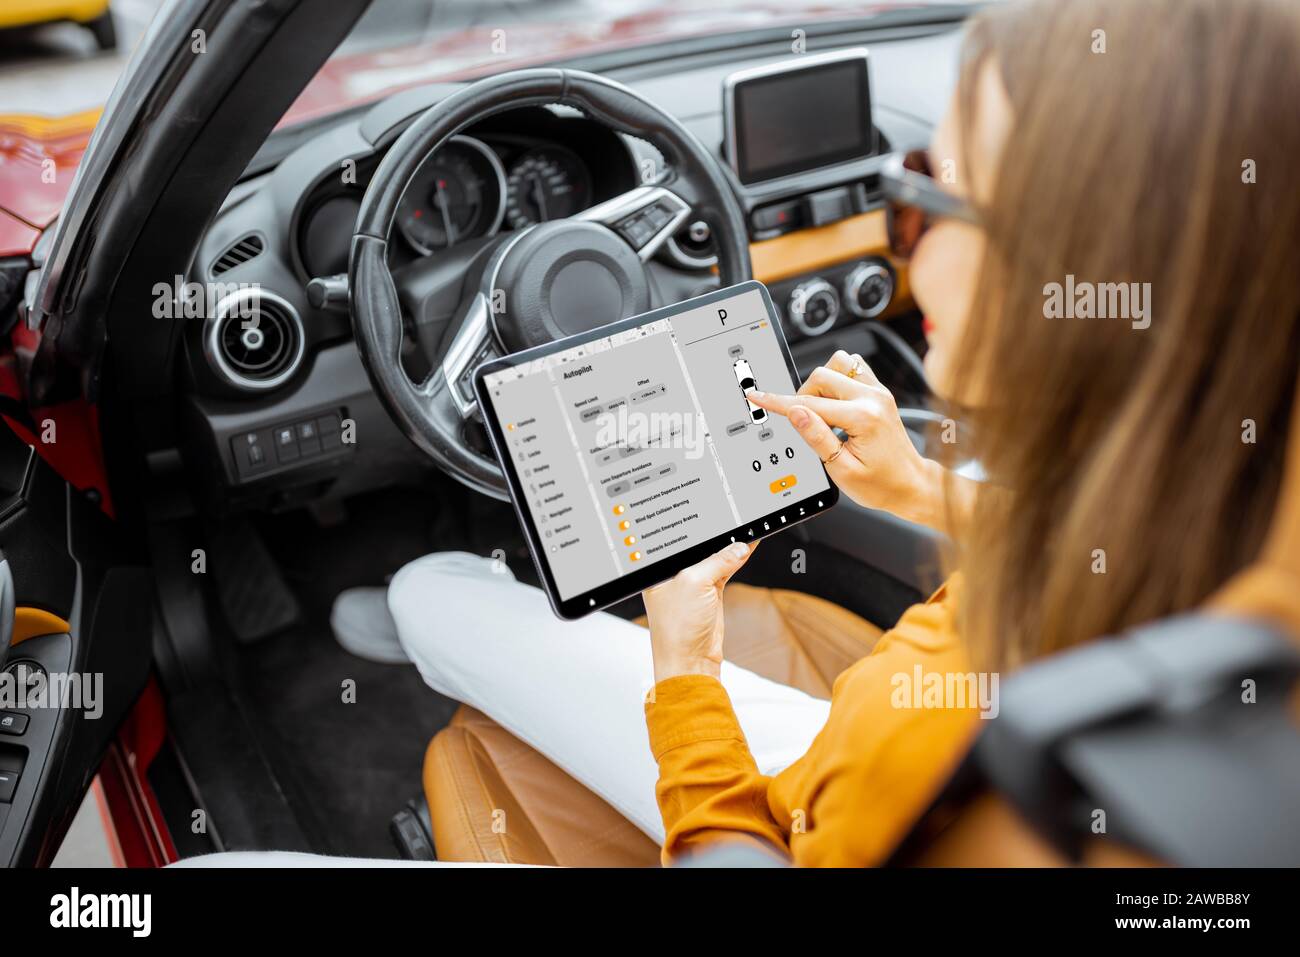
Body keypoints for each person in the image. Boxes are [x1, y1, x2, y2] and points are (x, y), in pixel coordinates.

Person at [358, 0, 1300, 865]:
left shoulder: (1015, 802)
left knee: (424, 591)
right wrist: (924, 492)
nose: (904, 244)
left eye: (923, 197)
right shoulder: (1245, 510)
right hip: (876, 738)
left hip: (811, 798)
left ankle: (438, 608)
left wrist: (684, 668)